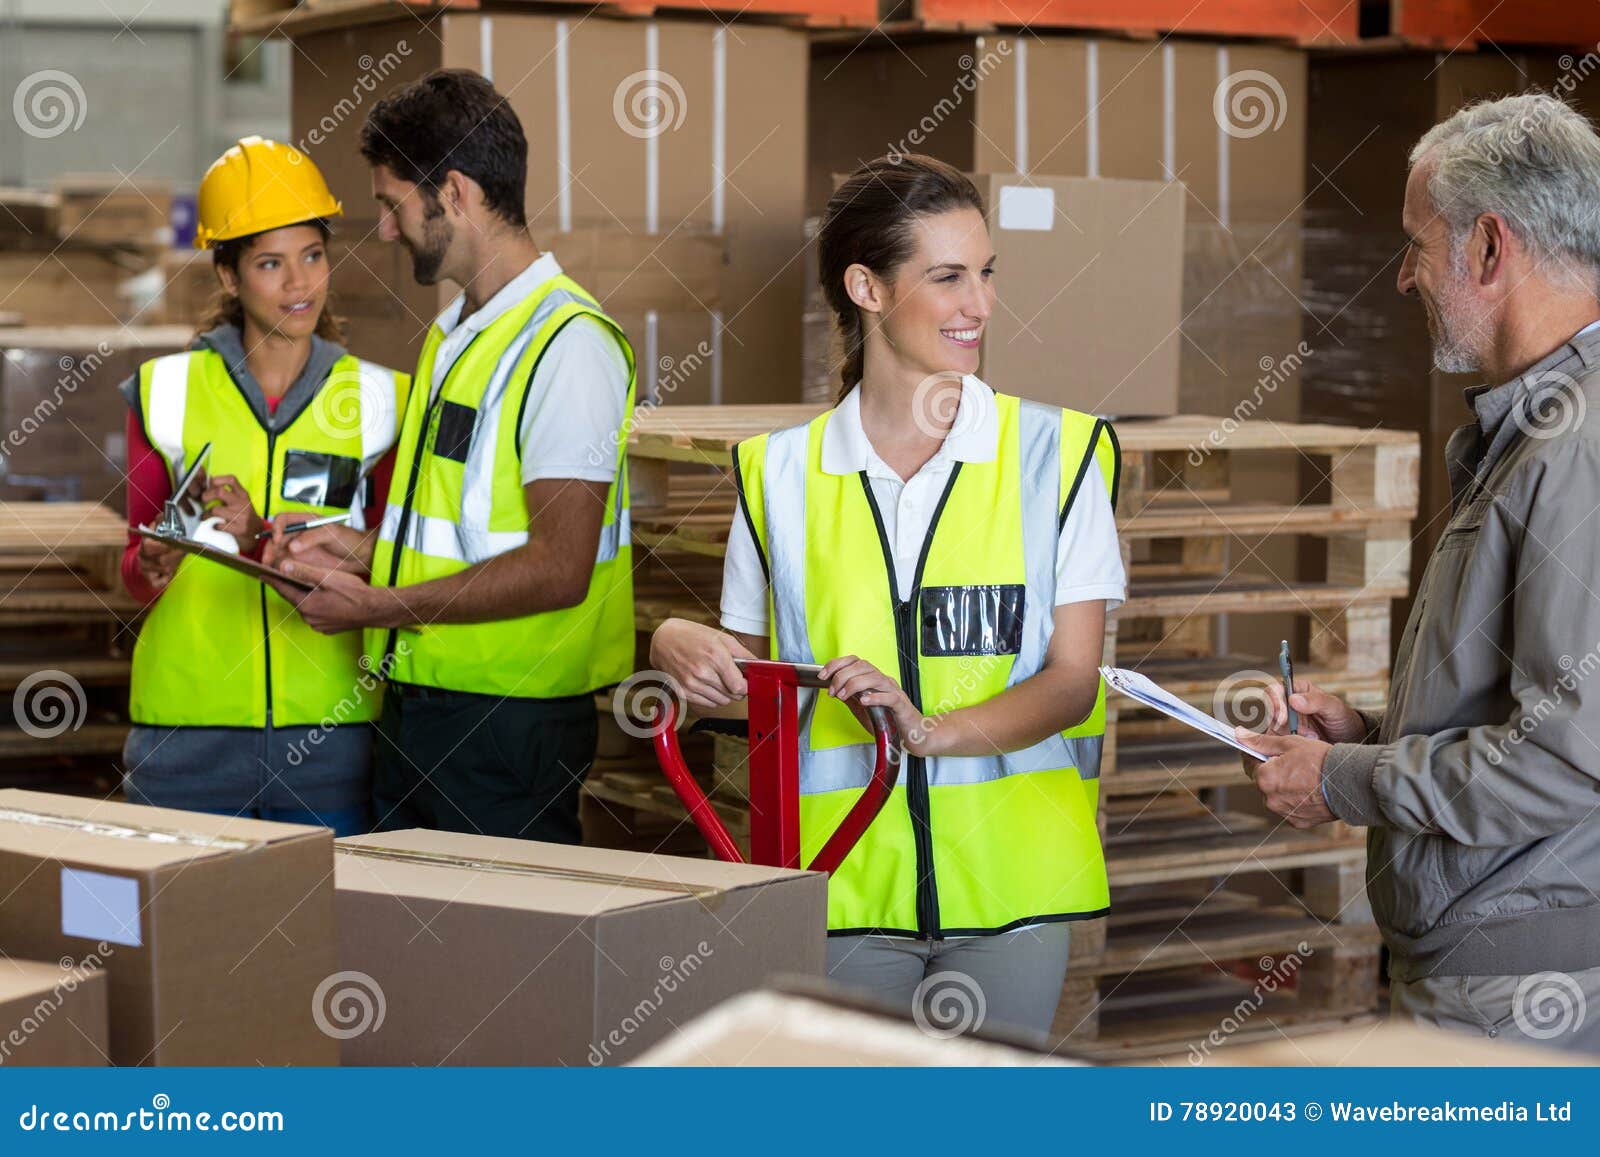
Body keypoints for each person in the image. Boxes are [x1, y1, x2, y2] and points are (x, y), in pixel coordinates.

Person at [648, 154, 1125, 1041]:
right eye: (948, 277)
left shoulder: (1057, 457)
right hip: (837, 885)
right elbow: (755, 686)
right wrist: (676, 642)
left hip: (1014, 893)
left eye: (986, 273)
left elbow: (1073, 681)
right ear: (866, 287)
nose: (979, 304)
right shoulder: (776, 474)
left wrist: (928, 731)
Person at [1244, 93, 1600, 1054]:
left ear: (1490, 248)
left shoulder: (1579, 449)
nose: (1406, 279)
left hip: (1520, 988)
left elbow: (1568, 758)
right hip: (1492, 962)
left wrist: (1346, 778)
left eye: (1416, 244)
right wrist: (1367, 732)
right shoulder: (1537, 430)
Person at [263, 70, 635, 843]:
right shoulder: (454, 337)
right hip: (420, 709)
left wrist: (378, 606)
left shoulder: (568, 347)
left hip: (505, 729)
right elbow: (467, 530)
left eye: (394, 205)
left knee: (504, 960)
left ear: (454, 193)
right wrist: (370, 553)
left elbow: (560, 566)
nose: (390, 231)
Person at [120, 136, 409, 835]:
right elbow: (133, 567)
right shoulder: (163, 391)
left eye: (312, 256)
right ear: (228, 275)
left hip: (331, 730)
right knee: (182, 937)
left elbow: (399, 559)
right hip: (184, 734)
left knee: (327, 937)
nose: (298, 283)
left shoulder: (382, 400)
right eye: (270, 263)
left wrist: (265, 539)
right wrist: (152, 563)